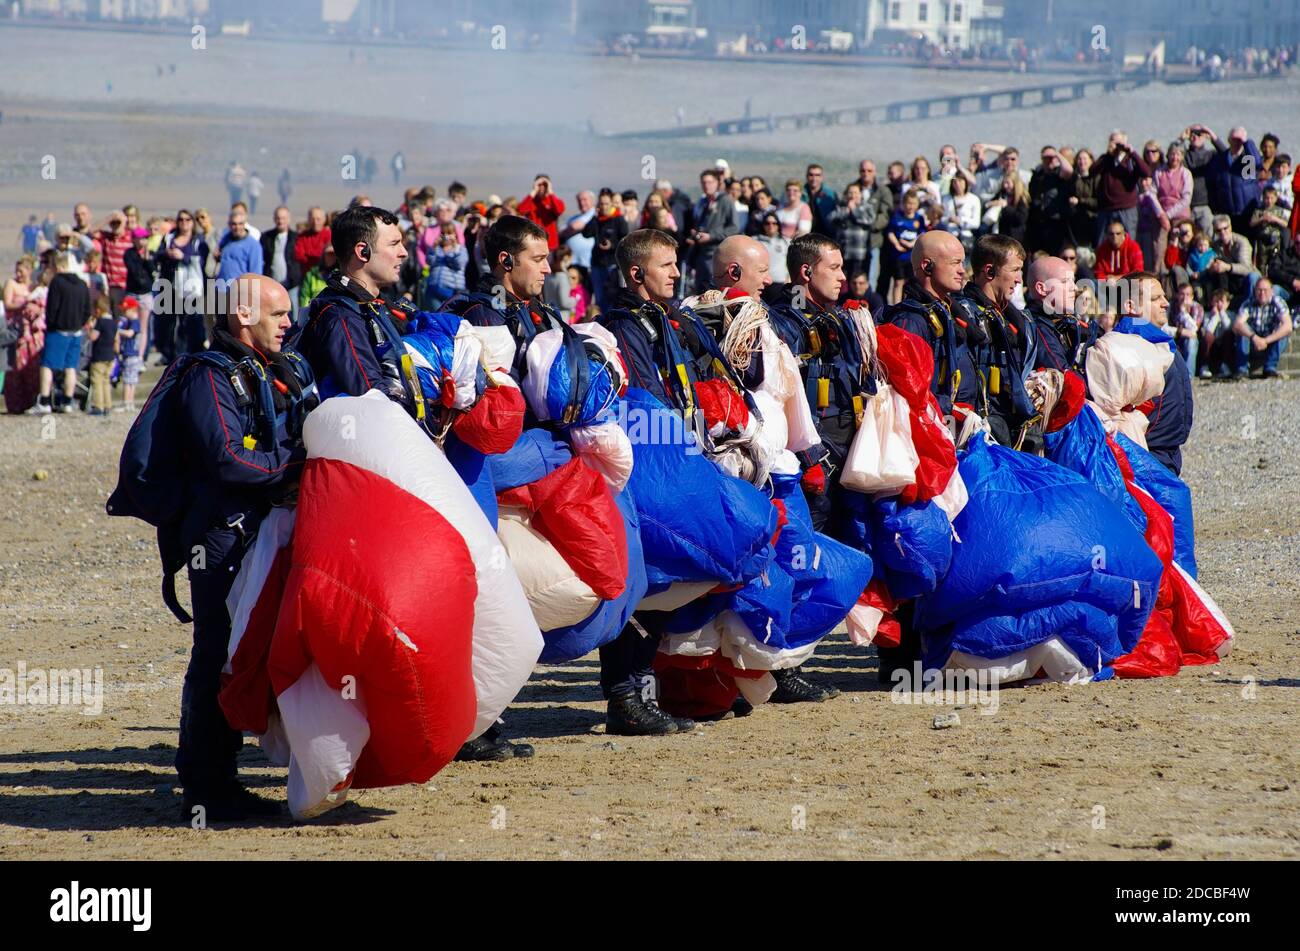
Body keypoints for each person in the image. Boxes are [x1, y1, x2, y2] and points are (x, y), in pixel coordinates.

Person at [165, 274, 313, 820]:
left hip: (271, 527)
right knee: (218, 650)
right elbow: (226, 455)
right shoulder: (209, 377)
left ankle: (232, 775)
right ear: (244, 317)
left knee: (257, 645)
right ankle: (206, 787)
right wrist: (294, 469)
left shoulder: (285, 370)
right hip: (222, 536)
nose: (289, 324)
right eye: (278, 316)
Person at [296, 204, 419, 405]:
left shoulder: (378, 304)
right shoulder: (341, 318)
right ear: (363, 252)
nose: (403, 252)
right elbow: (372, 401)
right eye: (394, 243)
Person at [952, 235, 1040, 449]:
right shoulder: (963, 316)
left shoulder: (1020, 321)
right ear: (989, 271)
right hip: (980, 433)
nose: (1020, 279)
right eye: (1014, 270)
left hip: (1014, 426)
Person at [879, 230, 977, 415]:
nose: (962, 270)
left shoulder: (947, 312)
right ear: (927, 266)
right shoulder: (909, 320)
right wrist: (951, 408)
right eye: (955, 262)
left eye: (962, 262)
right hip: (933, 428)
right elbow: (907, 390)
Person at [1115, 272, 1194, 474]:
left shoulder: (1156, 339)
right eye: (1155, 298)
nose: (1165, 303)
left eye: (1164, 296)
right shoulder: (1127, 344)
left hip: (1166, 449)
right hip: (1147, 453)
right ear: (1130, 307)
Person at [32, 252, 90, 414]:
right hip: (77, 332)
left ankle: (44, 401)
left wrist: (52, 324)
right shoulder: (82, 283)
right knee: (71, 367)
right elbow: (87, 310)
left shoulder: (57, 282)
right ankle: (67, 401)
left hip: (58, 330)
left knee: (47, 365)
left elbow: (52, 307)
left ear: (59, 266)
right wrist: (79, 323)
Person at [154, 209, 209, 362]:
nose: (184, 222)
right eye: (181, 220)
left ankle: (189, 354)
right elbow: (156, 255)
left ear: (192, 222)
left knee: (190, 323)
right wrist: (167, 254)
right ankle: (170, 355)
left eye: (187, 219)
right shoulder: (169, 238)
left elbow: (203, 260)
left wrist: (184, 257)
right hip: (170, 286)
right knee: (166, 324)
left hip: (191, 288)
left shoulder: (198, 241)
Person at [1201, 124, 1265, 234]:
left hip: (1247, 211)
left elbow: (1257, 162)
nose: (1236, 142)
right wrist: (1215, 206)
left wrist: (1247, 142)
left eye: (1239, 140)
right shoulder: (1221, 159)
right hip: (1227, 211)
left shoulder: (1246, 160)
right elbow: (1211, 183)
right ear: (1229, 140)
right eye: (1234, 139)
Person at [685, 168, 739, 294]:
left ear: (717, 183)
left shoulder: (725, 200)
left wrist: (711, 236)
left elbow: (734, 228)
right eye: (703, 182)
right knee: (700, 291)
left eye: (709, 182)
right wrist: (695, 233)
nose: (706, 185)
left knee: (714, 291)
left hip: (717, 253)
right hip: (701, 254)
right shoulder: (702, 202)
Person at [1093, 130, 1152, 243]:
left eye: (1119, 142)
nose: (1117, 146)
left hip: (1127, 208)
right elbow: (1092, 171)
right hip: (1106, 209)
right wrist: (1108, 154)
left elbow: (1146, 172)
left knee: (1129, 243)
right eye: (1113, 142)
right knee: (1102, 244)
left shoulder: (1130, 160)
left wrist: (1132, 152)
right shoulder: (1106, 159)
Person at [581, 188, 629, 316]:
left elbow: (625, 240)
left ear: (612, 204)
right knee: (599, 297)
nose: (604, 207)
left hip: (612, 263)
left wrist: (611, 245)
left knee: (611, 295)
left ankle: (611, 319)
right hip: (597, 263)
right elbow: (586, 233)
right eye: (601, 204)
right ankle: (601, 319)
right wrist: (594, 216)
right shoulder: (597, 219)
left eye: (606, 204)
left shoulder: (619, 219)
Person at [1232, 277, 1291, 378]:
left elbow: (1288, 326)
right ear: (1255, 291)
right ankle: (1242, 369)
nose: (1262, 293)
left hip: (1271, 340)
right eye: (1259, 290)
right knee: (1242, 331)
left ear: (1272, 291)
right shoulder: (1248, 303)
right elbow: (1237, 324)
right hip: (1253, 341)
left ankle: (1270, 368)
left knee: (1282, 333)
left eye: (1265, 290)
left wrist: (1266, 341)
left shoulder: (1278, 302)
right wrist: (1254, 337)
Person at [849, 159, 895, 288]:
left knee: (871, 277)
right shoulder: (852, 188)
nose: (866, 173)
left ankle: (868, 305)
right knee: (851, 276)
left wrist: (869, 225)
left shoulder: (882, 191)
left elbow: (885, 214)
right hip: (853, 242)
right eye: (863, 170)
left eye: (869, 171)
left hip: (873, 241)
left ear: (874, 172)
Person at [1027, 144, 1075, 255]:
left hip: (1055, 223)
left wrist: (1056, 154)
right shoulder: (1038, 174)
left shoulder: (1059, 173)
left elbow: (1069, 171)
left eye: (1051, 157)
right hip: (1038, 222)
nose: (1049, 160)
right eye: (1046, 158)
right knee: (1038, 254)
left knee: (1054, 253)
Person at [883, 190, 926, 304]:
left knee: (912, 282)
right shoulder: (897, 217)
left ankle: (909, 303)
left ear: (917, 205)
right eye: (908, 203)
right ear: (903, 204)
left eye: (913, 203)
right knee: (898, 282)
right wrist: (897, 244)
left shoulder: (919, 218)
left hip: (912, 256)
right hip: (899, 255)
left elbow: (922, 233)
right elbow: (890, 232)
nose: (910, 206)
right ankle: (896, 305)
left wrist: (912, 244)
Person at [828, 182, 874, 280]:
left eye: (856, 193)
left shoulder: (867, 207)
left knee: (857, 279)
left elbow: (869, 221)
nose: (853, 195)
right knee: (843, 279)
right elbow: (830, 219)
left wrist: (854, 211)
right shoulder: (841, 207)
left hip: (860, 252)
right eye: (850, 193)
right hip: (844, 251)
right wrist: (846, 211)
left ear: (860, 194)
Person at [261, 206, 301, 315]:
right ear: (274, 219)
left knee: (294, 314)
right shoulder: (266, 237)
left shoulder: (296, 238)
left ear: (289, 219)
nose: (280, 221)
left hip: (292, 284)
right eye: (278, 218)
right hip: (272, 283)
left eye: (283, 218)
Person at [216, 207, 264, 285]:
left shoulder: (253, 245)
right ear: (229, 225)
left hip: (240, 290)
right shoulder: (225, 240)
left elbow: (256, 274)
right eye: (234, 224)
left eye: (240, 224)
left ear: (244, 224)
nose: (237, 227)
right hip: (222, 289)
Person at [518, 174, 566, 251]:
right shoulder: (531, 201)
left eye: (545, 185)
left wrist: (550, 191)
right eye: (539, 185)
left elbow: (559, 210)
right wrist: (534, 191)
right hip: (533, 242)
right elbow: (521, 210)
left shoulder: (554, 200)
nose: (542, 187)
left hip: (550, 244)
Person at [86, 296, 116, 416]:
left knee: (97, 381)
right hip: (110, 356)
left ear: (98, 310)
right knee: (106, 382)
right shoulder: (113, 322)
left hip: (99, 357)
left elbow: (93, 337)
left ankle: (98, 406)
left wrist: (90, 328)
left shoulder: (100, 322)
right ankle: (108, 405)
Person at [558, 189, 596, 270]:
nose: (582, 203)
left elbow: (574, 226)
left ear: (592, 201)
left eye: (585, 200)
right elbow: (560, 233)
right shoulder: (574, 218)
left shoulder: (594, 214)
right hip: (571, 261)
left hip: (587, 263)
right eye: (579, 200)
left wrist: (568, 231)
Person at [942, 174, 981, 251]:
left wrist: (960, 220)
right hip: (950, 236)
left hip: (966, 237)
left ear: (965, 182)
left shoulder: (974, 199)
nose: (957, 184)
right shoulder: (946, 198)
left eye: (960, 181)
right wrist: (949, 219)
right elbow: (942, 218)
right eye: (954, 182)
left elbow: (976, 223)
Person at [117, 295, 142, 410]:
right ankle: (130, 402)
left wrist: (117, 331)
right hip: (133, 355)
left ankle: (126, 402)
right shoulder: (132, 322)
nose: (123, 313)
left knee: (128, 380)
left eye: (125, 310)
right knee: (131, 380)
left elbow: (130, 334)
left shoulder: (134, 322)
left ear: (132, 309)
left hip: (131, 355)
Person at [803, 163, 838, 237]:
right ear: (807, 176)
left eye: (817, 175)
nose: (814, 178)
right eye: (811, 175)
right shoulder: (800, 194)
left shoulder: (830, 195)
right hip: (806, 234)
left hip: (826, 235)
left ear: (822, 177)